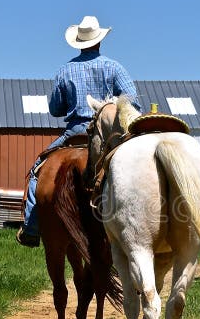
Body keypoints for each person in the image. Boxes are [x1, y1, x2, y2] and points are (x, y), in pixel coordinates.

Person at [16, 15, 140, 247]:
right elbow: (133, 102)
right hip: (107, 136)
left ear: (78, 42)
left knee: (37, 170)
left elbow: (55, 109)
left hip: (74, 133)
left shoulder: (65, 71)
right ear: (100, 41)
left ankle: (31, 229)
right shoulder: (114, 67)